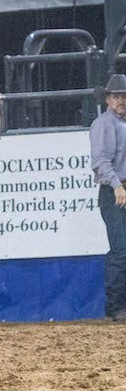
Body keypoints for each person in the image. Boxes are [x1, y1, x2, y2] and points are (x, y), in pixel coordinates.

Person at [91, 74, 126, 321]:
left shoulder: (118, 124)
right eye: (117, 96)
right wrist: (117, 186)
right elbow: (100, 161)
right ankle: (115, 308)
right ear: (108, 99)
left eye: (124, 96)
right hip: (114, 191)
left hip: (119, 189)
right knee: (120, 249)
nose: (121, 100)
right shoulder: (104, 124)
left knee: (121, 249)